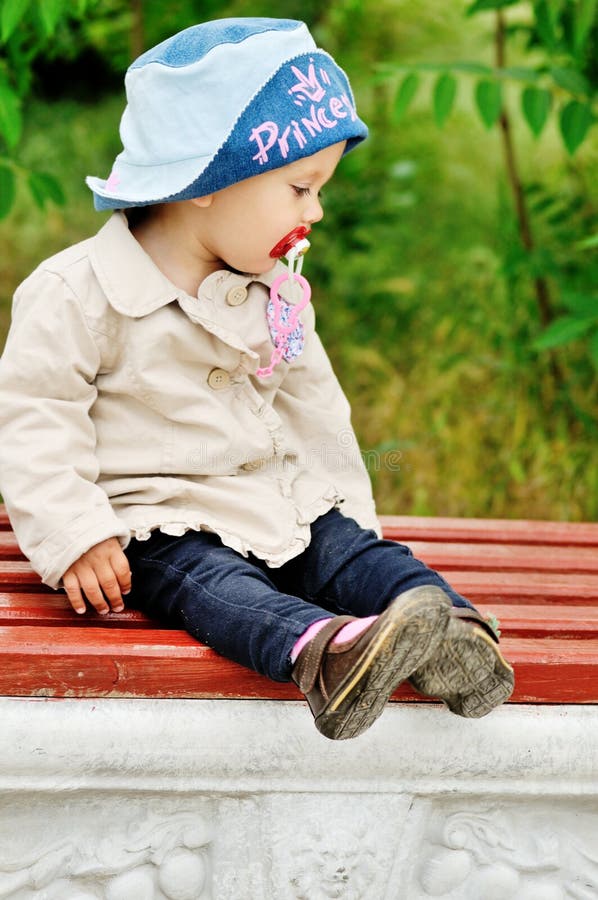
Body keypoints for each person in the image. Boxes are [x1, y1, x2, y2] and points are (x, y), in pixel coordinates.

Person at [0, 18, 513, 740]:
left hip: (277, 502)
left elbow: (315, 409)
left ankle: (448, 631)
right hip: (156, 524)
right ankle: (325, 656)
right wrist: (74, 534)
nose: (316, 213)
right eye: (301, 188)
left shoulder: (271, 288)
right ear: (207, 180)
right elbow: (33, 419)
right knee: (215, 589)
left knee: (354, 554)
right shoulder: (78, 292)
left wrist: (347, 514)